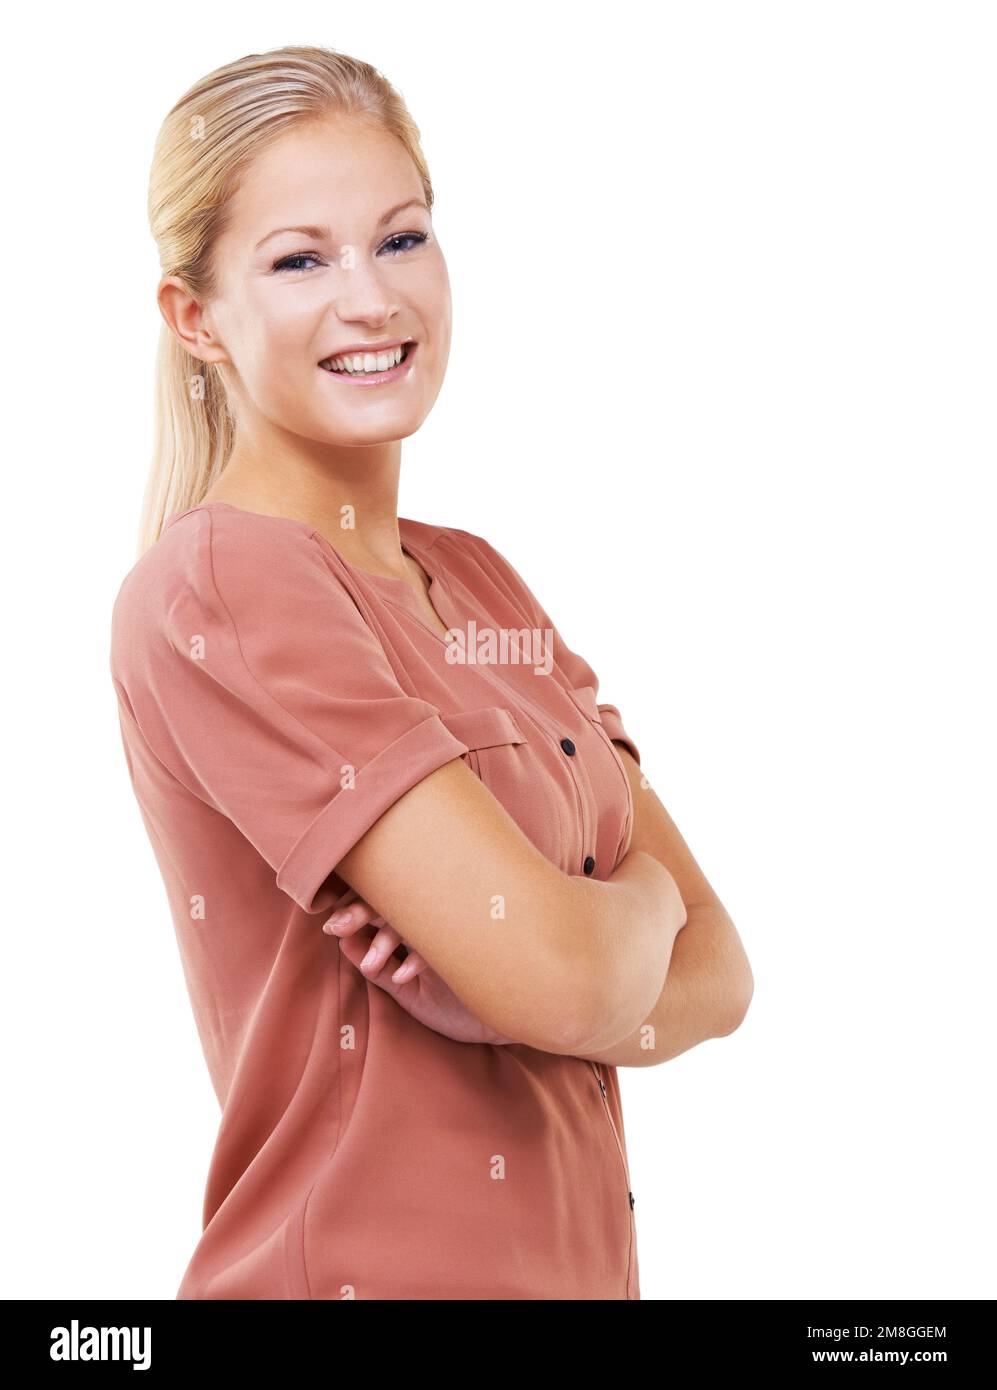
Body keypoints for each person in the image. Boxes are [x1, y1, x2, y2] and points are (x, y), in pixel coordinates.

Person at [110, 44, 754, 1301]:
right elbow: (573, 976)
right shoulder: (227, 584)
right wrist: (625, 923)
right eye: (300, 259)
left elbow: (723, 972)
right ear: (197, 319)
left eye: (399, 239)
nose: (370, 300)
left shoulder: (482, 584)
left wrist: (558, 972)